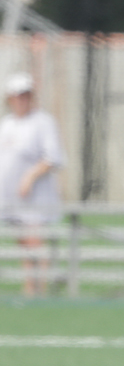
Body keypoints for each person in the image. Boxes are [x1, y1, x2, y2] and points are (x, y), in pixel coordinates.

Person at [0, 72, 65, 297]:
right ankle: (29, 287)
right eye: (17, 96)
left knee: (36, 240)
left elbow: (53, 158)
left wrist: (29, 177)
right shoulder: (7, 123)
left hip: (35, 197)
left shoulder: (42, 122)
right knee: (23, 242)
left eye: (26, 96)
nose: (22, 100)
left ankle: (40, 289)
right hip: (11, 198)